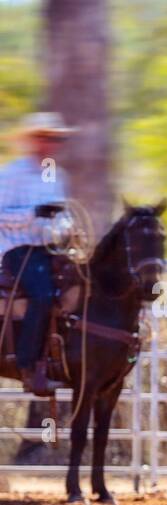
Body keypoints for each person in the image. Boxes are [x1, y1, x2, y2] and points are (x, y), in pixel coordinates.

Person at [0, 111, 76, 397]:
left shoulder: (58, 177)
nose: (51, 143)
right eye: (45, 137)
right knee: (43, 294)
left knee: (81, 285)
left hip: (50, 249)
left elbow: (64, 216)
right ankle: (27, 365)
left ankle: (67, 359)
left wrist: (65, 227)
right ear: (32, 141)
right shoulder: (11, 175)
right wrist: (34, 214)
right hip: (17, 250)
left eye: (55, 138)